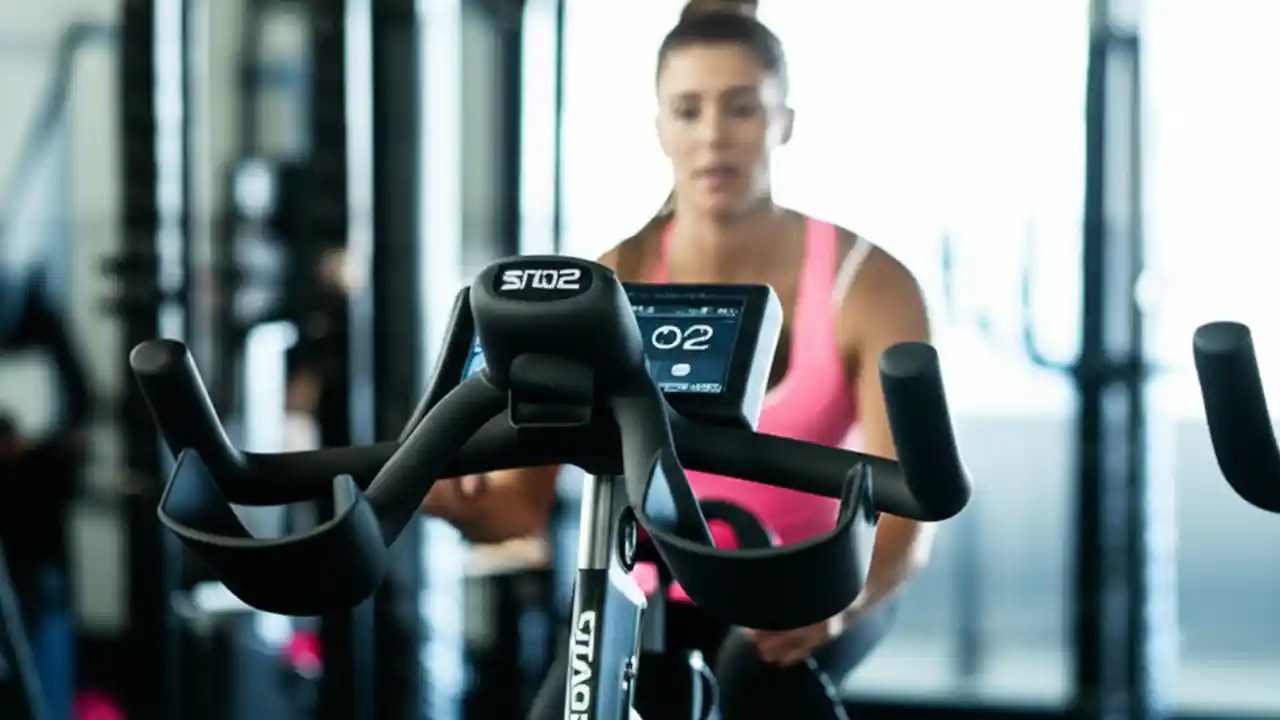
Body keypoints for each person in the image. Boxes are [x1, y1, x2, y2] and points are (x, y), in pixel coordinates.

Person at [423, 10, 936, 719]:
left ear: (784, 120)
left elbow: (911, 512)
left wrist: (835, 612)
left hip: (808, 582)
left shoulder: (869, 283)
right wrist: (439, 495)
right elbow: (522, 503)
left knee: (753, 677)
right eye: (687, 110)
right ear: (660, 127)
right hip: (658, 580)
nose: (714, 135)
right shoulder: (617, 276)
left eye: (742, 106)